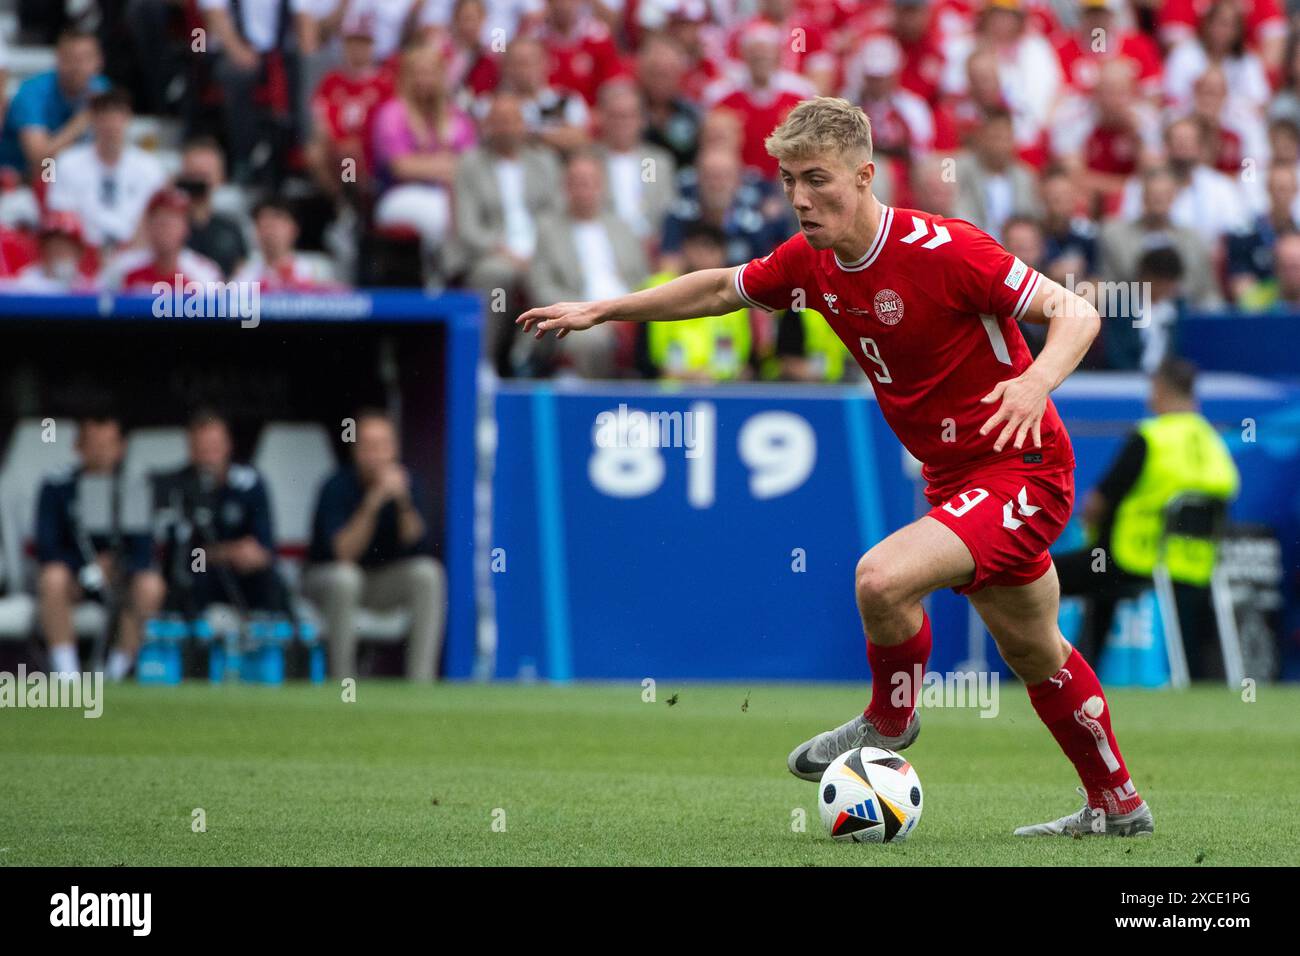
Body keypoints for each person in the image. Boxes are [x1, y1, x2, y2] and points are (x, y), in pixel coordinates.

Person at [519, 96, 1152, 838]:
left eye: (816, 179)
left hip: (1024, 468)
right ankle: (1118, 805)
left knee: (880, 580)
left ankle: (888, 722)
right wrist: (605, 310)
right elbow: (724, 287)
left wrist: (1035, 382)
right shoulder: (811, 262)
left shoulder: (947, 248)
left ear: (864, 175)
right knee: (1033, 647)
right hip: (955, 478)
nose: (799, 198)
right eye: (788, 180)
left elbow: (1077, 312)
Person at [1055, 359, 1240, 678]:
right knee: (1101, 585)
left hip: (1134, 558)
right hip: (1195, 565)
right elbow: (1227, 492)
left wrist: (1088, 522)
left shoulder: (1151, 437)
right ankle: (1089, 673)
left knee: (1039, 577)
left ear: (1161, 389)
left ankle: (1041, 675)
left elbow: (1097, 502)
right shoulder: (1212, 440)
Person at [305, 409, 446, 681]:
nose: (377, 455)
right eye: (369, 446)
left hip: (378, 583)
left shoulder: (409, 484)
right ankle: (343, 679)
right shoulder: (336, 485)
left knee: (428, 573)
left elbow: (417, 544)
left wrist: (402, 502)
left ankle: (421, 681)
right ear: (355, 450)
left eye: (384, 446)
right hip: (327, 582)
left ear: (395, 449)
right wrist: (373, 502)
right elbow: (343, 554)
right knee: (347, 578)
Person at [35, 412, 165, 680]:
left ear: (121, 448)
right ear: (78, 446)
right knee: (52, 577)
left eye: (108, 444)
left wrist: (115, 567)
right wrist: (87, 572)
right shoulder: (56, 485)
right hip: (74, 582)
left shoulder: (134, 486)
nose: (101, 453)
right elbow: (46, 546)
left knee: (150, 584)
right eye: (93, 444)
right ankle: (67, 674)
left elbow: (144, 552)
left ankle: (115, 674)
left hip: (119, 582)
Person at [157, 409, 281, 615]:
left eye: (214, 448)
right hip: (200, 574)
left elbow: (266, 547)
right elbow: (180, 557)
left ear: (228, 446)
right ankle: (197, 644)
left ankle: (276, 642)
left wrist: (254, 555)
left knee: (270, 578)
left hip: (241, 575)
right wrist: (226, 553)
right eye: (202, 449)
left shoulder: (250, 483)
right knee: (193, 576)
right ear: (191, 451)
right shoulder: (176, 487)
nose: (209, 458)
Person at [44, 89, 168, 249]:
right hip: (82, 253)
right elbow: (61, 214)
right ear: (93, 120)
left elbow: (157, 216)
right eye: (105, 118)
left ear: (128, 119)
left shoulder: (150, 167)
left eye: (117, 118)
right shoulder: (67, 162)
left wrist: (131, 251)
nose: (111, 125)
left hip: (136, 249)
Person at [0, 28, 107, 177]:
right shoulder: (32, 93)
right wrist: (83, 120)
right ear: (58, 59)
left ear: (99, 61)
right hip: (19, 179)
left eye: (86, 59)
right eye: (71, 59)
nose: (78, 67)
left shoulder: (103, 90)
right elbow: (40, 161)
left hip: (75, 180)